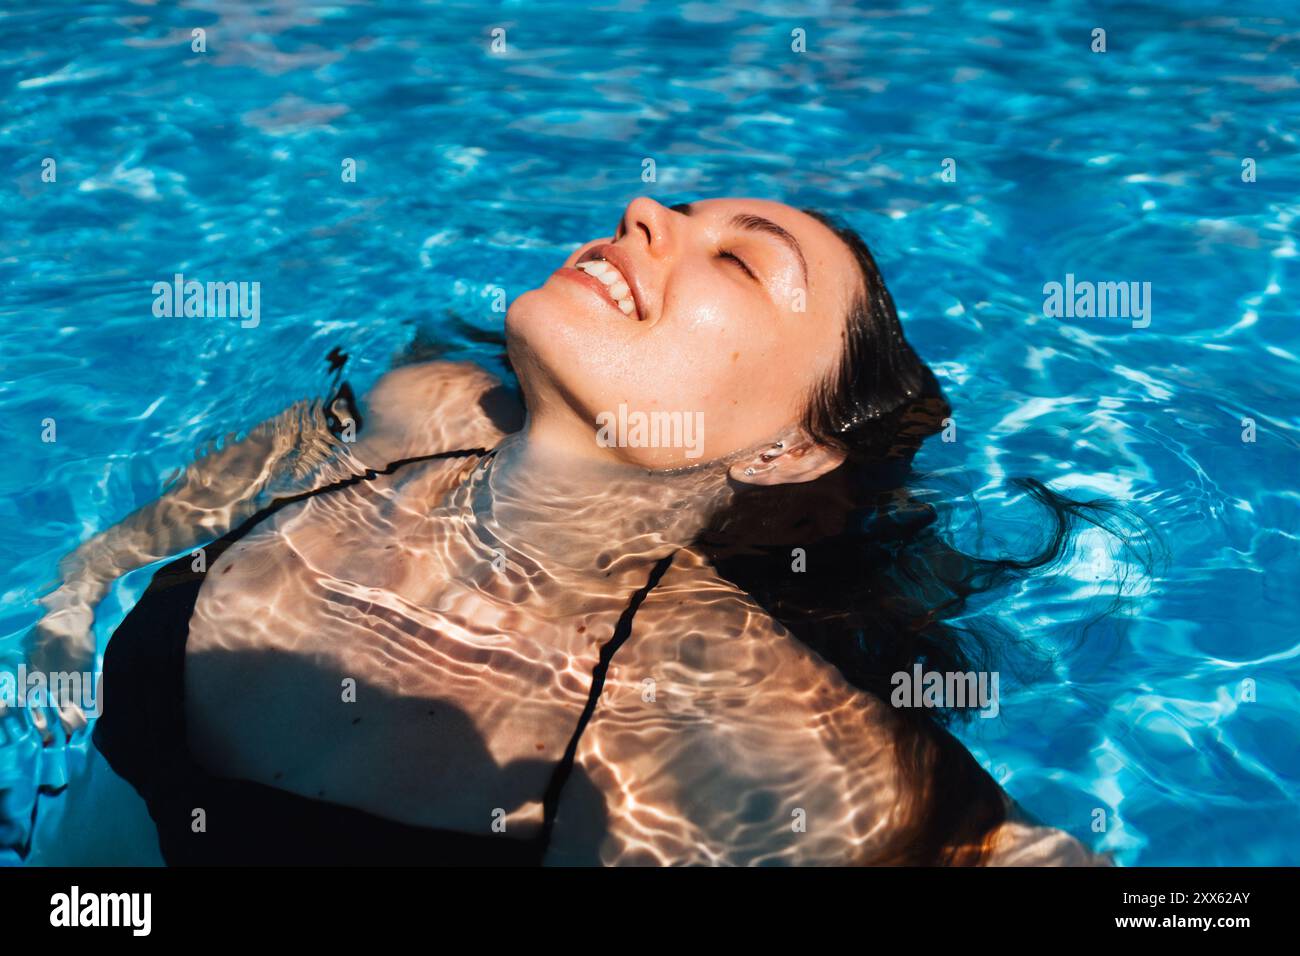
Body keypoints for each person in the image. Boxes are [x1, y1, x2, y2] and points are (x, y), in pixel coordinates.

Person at [27, 198, 1111, 865]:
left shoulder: (730, 700)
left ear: (791, 448)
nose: (644, 207)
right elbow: (205, 492)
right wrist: (74, 599)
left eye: (739, 261)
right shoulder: (426, 404)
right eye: (680, 210)